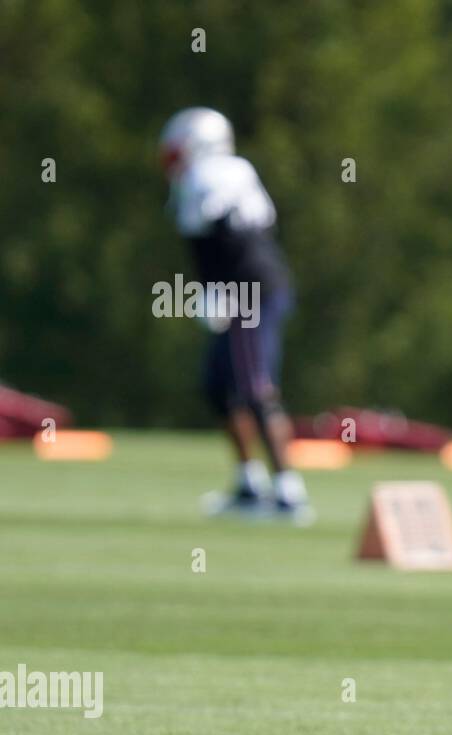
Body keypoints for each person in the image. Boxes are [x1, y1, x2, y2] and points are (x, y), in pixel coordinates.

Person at [158, 107, 311, 523]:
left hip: (250, 289)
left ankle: (288, 493)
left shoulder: (216, 173)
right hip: (241, 288)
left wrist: (217, 290)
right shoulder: (224, 174)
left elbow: (220, 233)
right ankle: (250, 484)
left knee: (254, 388)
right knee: (217, 386)